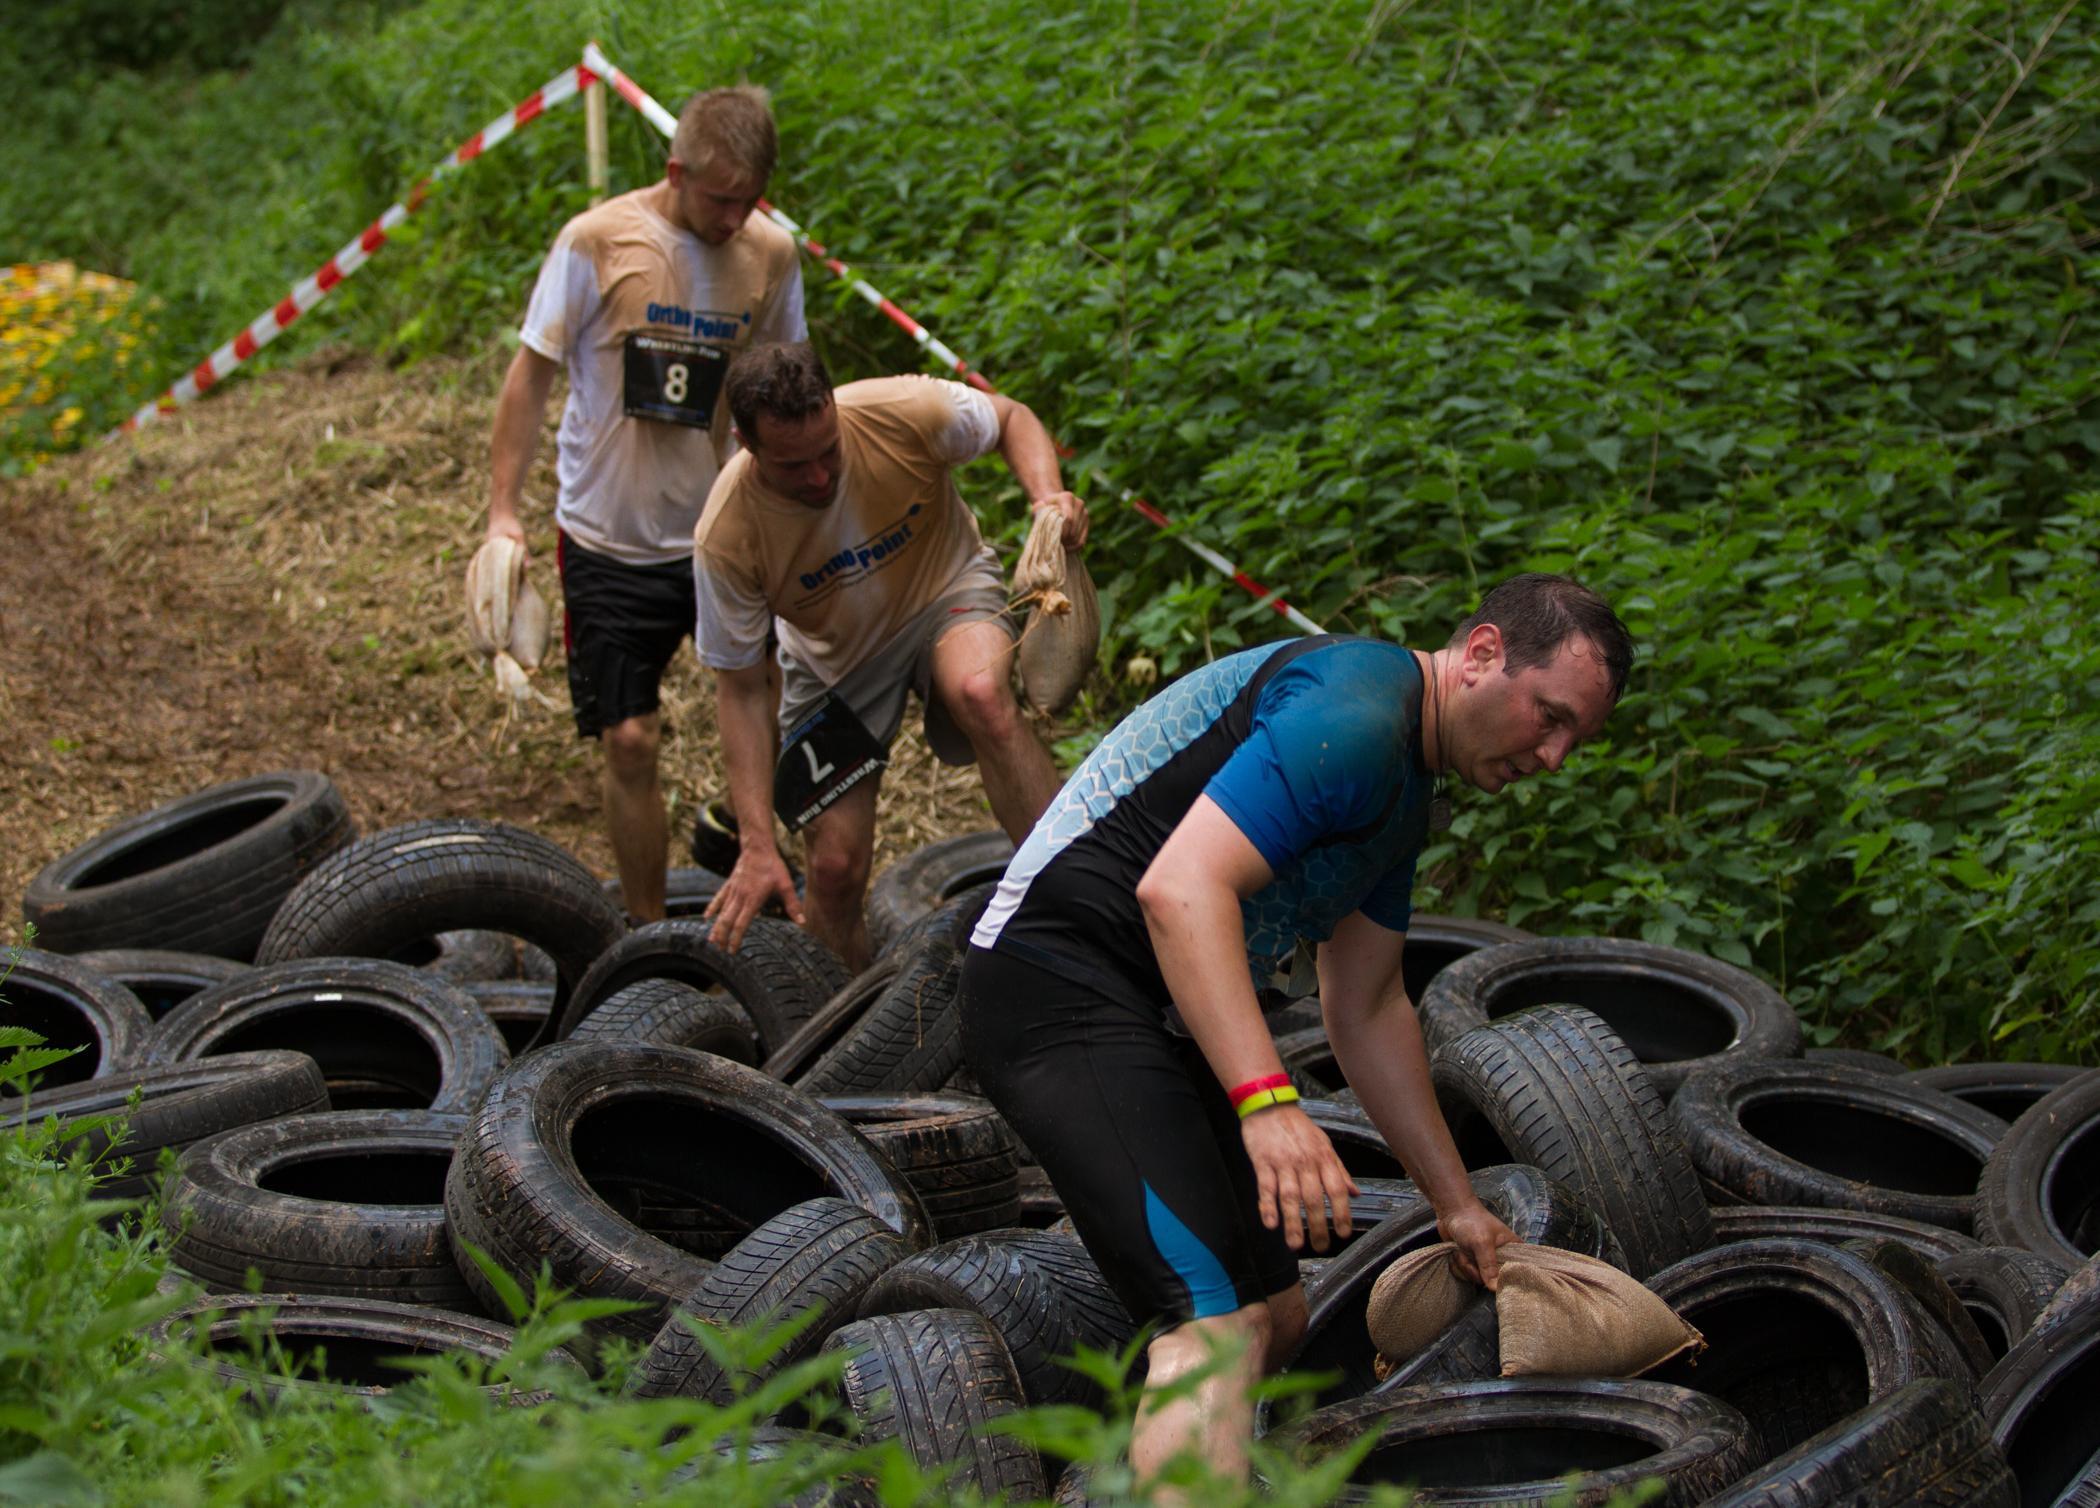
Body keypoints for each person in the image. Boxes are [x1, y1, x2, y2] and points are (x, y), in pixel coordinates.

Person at [959, 573, 1634, 1498]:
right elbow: (1180, 890)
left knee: (1274, 1317)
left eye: (1574, 740)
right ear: (1480, 654)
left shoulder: (1406, 785)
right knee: (1213, 1333)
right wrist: (1268, 1102)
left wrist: (1456, 1205)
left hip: (1147, 1010)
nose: (1554, 757)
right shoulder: (1357, 716)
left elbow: (1367, 1007)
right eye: (1548, 716)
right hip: (1054, 986)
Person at [483, 85, 805, 923]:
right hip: (608, 537)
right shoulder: (596, 241)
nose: (734, 218)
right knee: (629, 740)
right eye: (719, 198)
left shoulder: (771, 254)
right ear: (676, 171)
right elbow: (531, 378)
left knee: (763, 694)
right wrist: (502, 514)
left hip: (719, 534)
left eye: (750, 199)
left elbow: (786, 390)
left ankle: (747, 852)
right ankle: (645, 926)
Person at [694, 340, 1088, 969]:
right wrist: (757, 842)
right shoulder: (726, 535)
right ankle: (851, 1032)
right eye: (794, 467)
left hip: (944, 588)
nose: (819, 478)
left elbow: (1012, 417)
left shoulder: (902, 409)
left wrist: (1047, 497)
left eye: (829, 452)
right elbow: (740, 688)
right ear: (747, 445)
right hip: (833, 661)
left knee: (980, 691)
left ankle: (1084, 901)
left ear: (834, 408)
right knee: (832, 866)